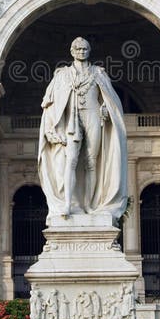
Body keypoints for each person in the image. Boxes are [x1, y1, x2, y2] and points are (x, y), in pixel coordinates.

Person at [38, 37, 127, 221]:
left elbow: (110, 98)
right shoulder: (62, 74)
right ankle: (68, 204)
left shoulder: (98, 73)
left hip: (93, 116)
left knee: (91, 162)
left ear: (89, 51)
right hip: (72, 120)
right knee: (70, 159)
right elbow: (50, 102)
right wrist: (51, 127)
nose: (81, 51)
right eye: (78, 49)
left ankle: (90, 205)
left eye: (85, 49)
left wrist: (106, 107)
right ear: (72, 51)